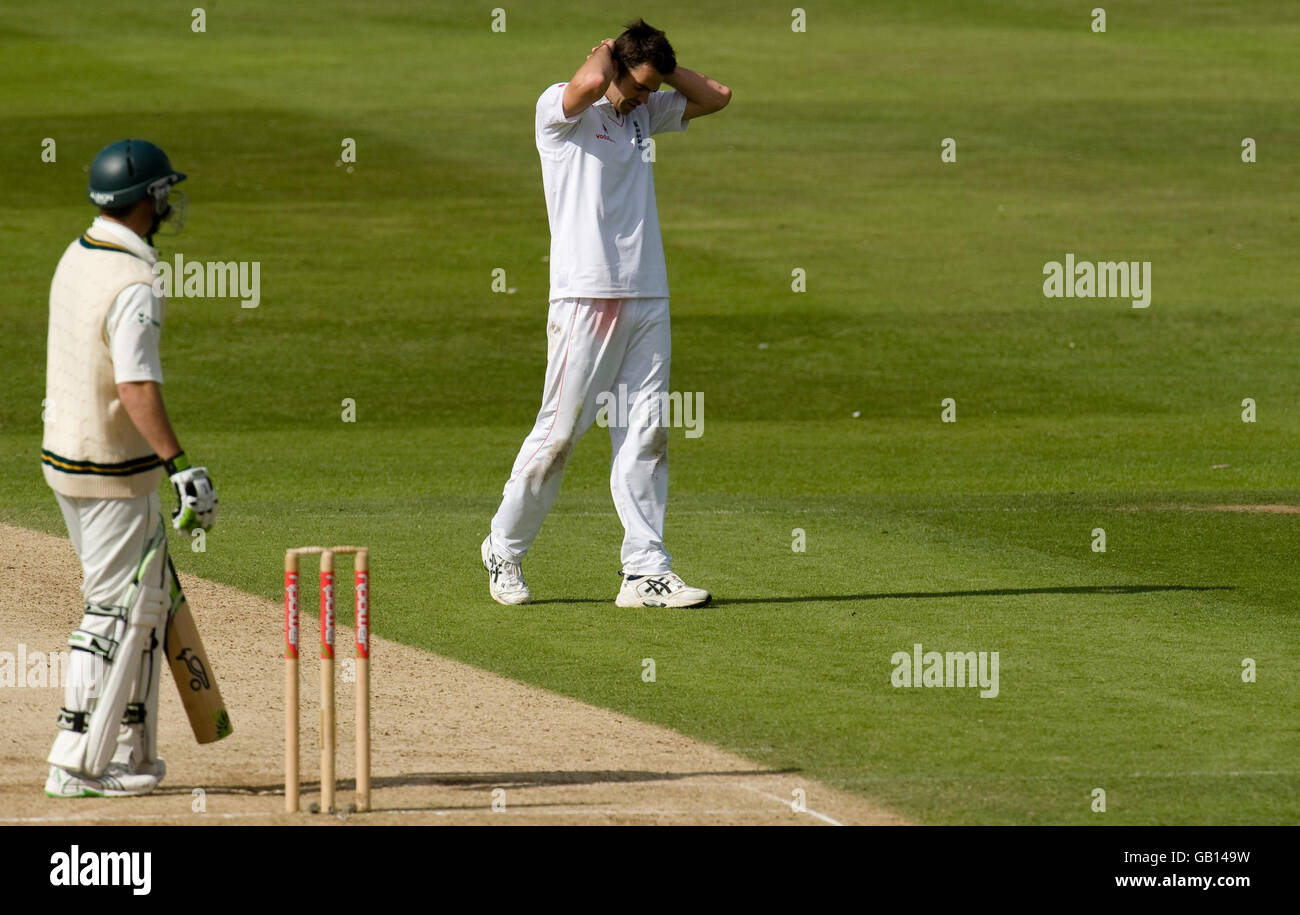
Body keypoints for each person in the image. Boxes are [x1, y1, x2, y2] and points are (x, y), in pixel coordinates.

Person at [482, 20, 731, 607]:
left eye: (653, 89)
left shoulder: (642, 113)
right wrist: (608, 52)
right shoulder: (560, 113)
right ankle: (503, 549)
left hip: (647, 293)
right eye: (638, 85)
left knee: (647, 432)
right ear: (615, 66)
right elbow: (591, 81)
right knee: (561, 433)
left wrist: (659, 71)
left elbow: (715, 96)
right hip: (584, 297)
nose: (646, 99)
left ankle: (644, 571)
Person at [42, 138, 217, 797]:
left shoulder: (78, 253)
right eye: (162, 192)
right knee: (115, 609)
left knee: (141, 602)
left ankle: (129, 747)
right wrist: (181, 467)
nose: (167, 202)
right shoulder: (134, 283)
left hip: (68, 457)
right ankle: (74, 760)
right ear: (147, 200)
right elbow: (136, 384)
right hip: (112, 469)